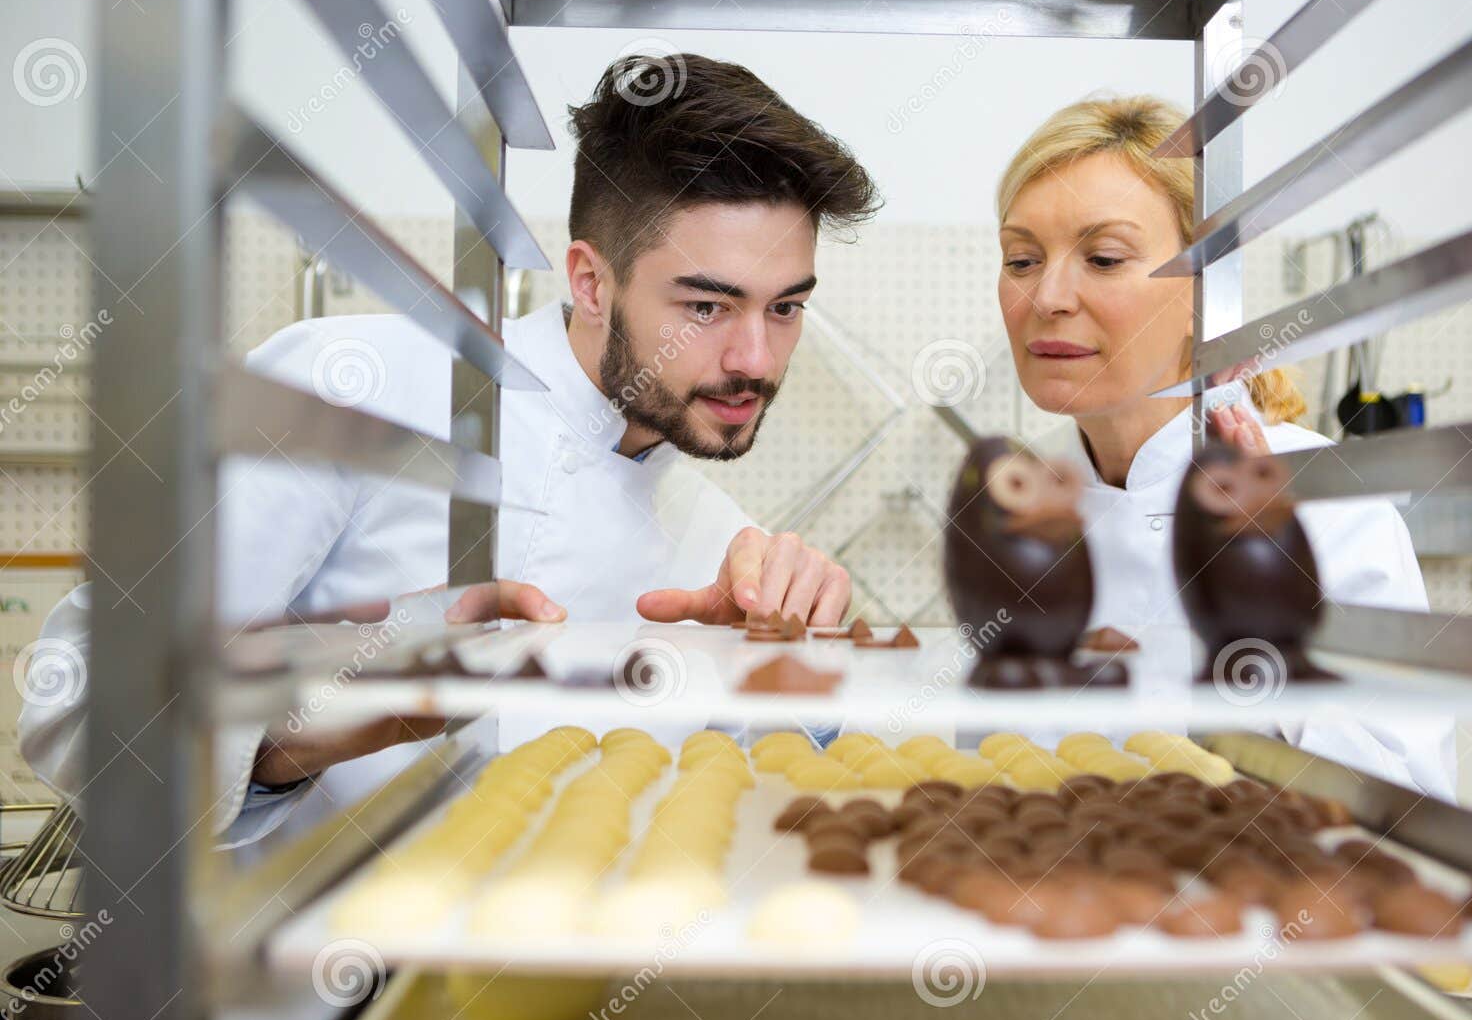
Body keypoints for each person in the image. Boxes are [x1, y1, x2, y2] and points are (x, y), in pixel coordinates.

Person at [19, 54, 879, 845]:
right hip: (294, 1001)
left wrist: (797, 665)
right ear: (589, 281)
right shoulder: (351, 391)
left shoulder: (716, 543)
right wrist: (320, 722)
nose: (755, 361)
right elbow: (77, 707)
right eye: (706, 306)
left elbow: (735, 810)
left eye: (786, 308)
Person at [992, 94, 1454, 797]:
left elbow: (1407, 800)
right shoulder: (1021, 511)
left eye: (1105, 257)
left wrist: (1264, 645)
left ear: (1208, 298)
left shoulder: (1324, 504)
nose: (1048, 295)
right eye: (1022, 259)